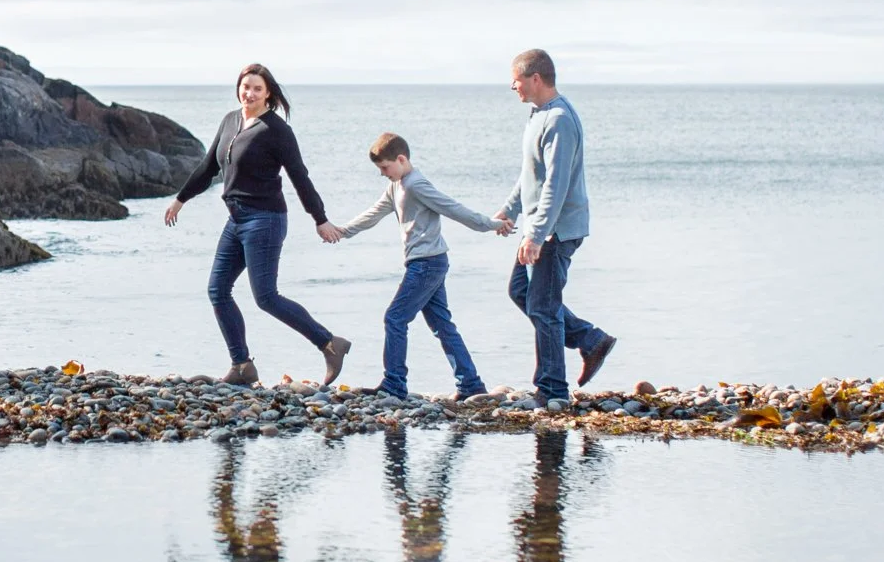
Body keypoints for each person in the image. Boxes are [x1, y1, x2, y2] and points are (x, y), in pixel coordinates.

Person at [165, 64, 350, 387]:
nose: (248, 93)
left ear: (268, 95)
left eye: (256, 89)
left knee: (265, 296)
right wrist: (181, 199)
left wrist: (319, 219)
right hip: (235, 218)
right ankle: (241, 366)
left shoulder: (276, 131)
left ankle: (330, 344)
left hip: (265, 219)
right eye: (245, 86)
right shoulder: (230, 120)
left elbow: (299, 176)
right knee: (217, 290)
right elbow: (209, 166)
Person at [318, 132, 501, 400]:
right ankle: (471, 384)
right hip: (427, 263)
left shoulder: (416, 184)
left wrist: (490, 224)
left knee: (395, 318)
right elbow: (374, 213)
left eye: (384, 167)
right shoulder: (396, 186)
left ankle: (394, 383)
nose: (382, 173)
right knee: (442, 325)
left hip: (427, 264)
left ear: (401, 159)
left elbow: (453, 208)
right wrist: (342, 231)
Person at [494, 48, 614, 405]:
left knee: (544, 306)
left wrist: (537, 234)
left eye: (515, 80)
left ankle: (551, 389)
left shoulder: (559, 119)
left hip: (556, 231)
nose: (512, 86)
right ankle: (590, 340)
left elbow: (556, 184)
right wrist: (509, 210)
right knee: (521, 292)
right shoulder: (538, 116)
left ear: (535, 78)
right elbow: (532, 174)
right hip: (539, 226)